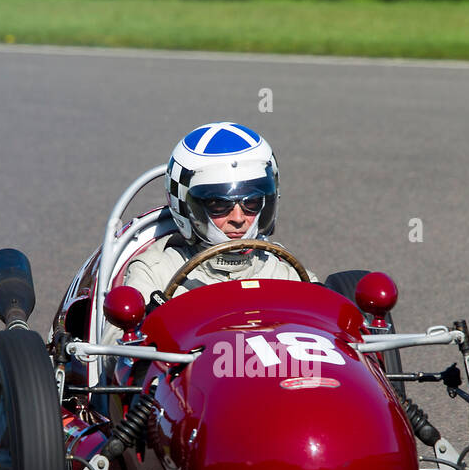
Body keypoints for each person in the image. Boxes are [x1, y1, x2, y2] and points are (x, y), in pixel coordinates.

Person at [107, 122, 317, 334]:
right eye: (219, 204)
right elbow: (116, 356)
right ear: (188, 207)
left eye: (251, 202)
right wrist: (148, 327)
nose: (238, 218)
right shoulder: (156, 271)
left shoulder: (285, 273)